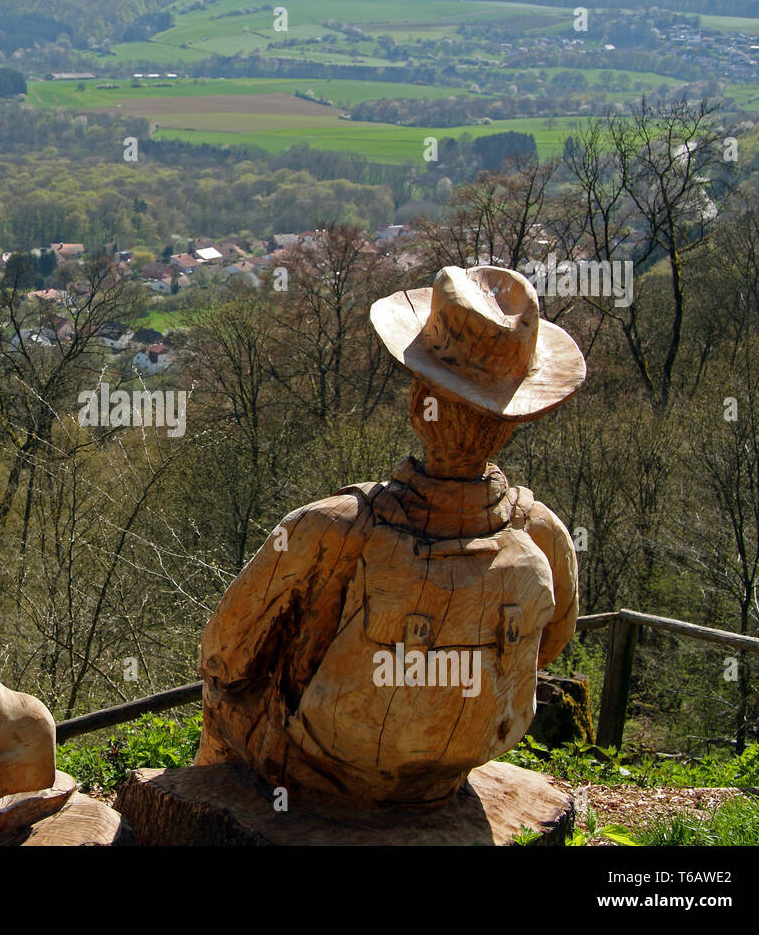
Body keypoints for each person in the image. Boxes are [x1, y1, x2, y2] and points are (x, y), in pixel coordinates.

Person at [195, 265, 586, 810]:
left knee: (223, 697)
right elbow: (549, 645)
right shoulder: (542, 532)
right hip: (459, 768)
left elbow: (224, 655)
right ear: (513, 420)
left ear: (417, 403)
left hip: (318, 774)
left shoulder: (331, 528)